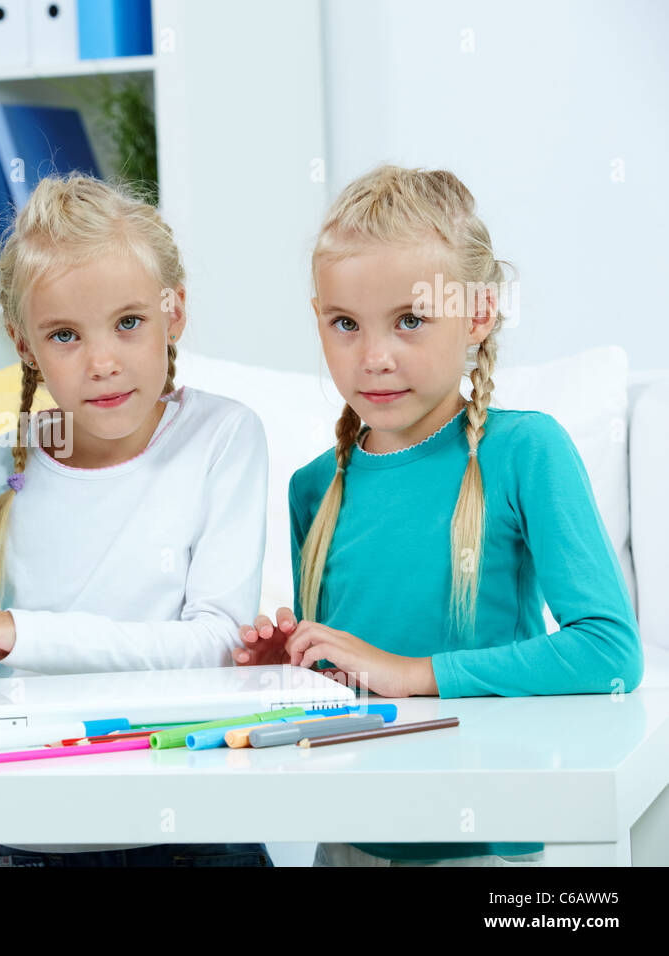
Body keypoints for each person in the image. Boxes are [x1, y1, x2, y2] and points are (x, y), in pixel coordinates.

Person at [238, 164, 642, 866]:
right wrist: (296, 664)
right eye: (346, 324)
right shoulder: (314, 489)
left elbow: (610, 652)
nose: (374, 357)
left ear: (478, 315)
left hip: (481, 837)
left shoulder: (525, 451)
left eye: (410, 321)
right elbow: (353, 685)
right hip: (348, 836)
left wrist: (413, 671)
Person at [0, 173, 272, 867]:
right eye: (64, 335)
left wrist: (19, 632)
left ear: (173, 314)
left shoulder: (223, 438)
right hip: (32, 841)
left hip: (196, 837)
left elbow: (213, 645)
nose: (104, 363)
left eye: (129, 322)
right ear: (24, 345)